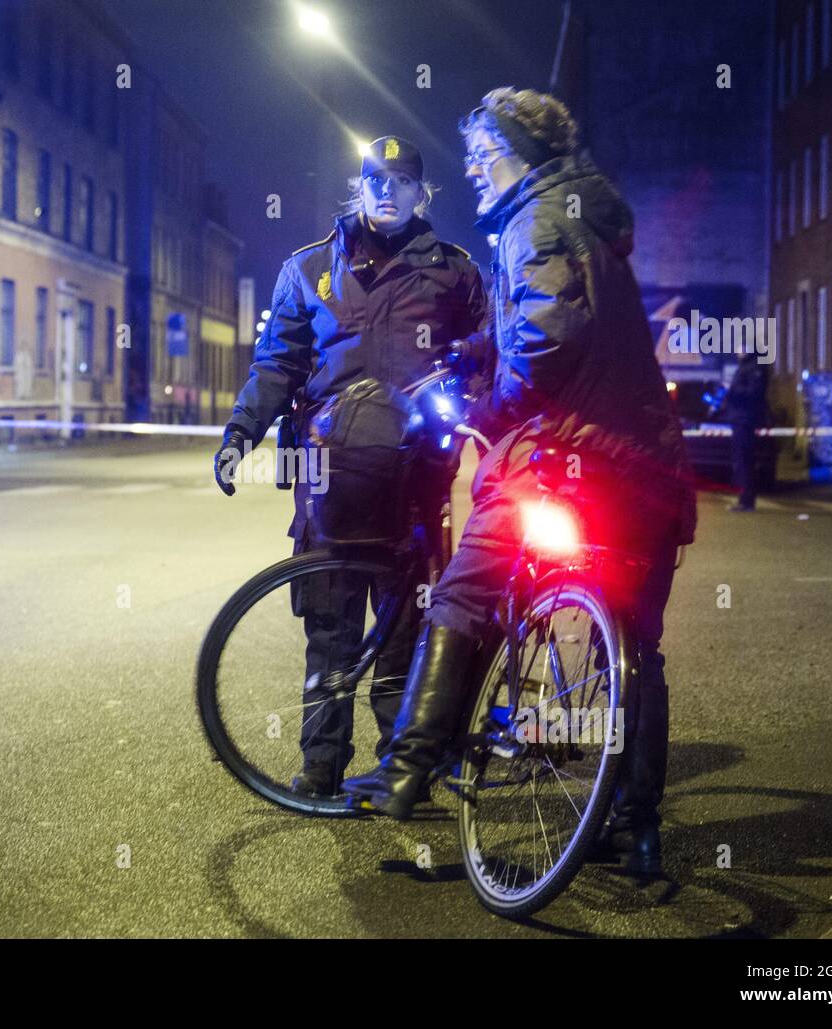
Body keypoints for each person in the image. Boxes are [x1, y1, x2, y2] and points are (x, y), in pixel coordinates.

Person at [343, 89, 698, 881]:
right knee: (635, 648)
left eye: (481, 152)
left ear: (517, 152)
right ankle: (637, 833)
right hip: (647, 472)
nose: (472, 167)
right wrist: (478, 348)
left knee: (464, 596)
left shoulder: (535, 217)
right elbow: (560, 320)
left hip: (567, 460)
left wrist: (489, 406)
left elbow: (548, 338)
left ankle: (404, 771)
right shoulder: (586, 219)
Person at [214, 136, 487, 798]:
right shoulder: (308, 270)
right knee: (330, 628)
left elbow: (486, 358)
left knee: (407, 627)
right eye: (375, 179)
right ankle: (320, 767)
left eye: (400, 181)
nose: (386, 190)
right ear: (357, 187)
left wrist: (476, 405)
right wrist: (240, 432)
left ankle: (402, 768)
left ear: (422, 194)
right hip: (330, 479)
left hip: (415, 479)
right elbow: (277, 364)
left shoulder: (454, 272)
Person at [721, 354, 769, 511]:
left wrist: (732, 389)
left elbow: (753, 392)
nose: (737, 351)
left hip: (745, 420)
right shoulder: (745, 366)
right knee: (741, 461)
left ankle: (746, 501)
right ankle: (744, 499)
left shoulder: (755, 367)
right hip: (740, 418)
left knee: (744, 461)